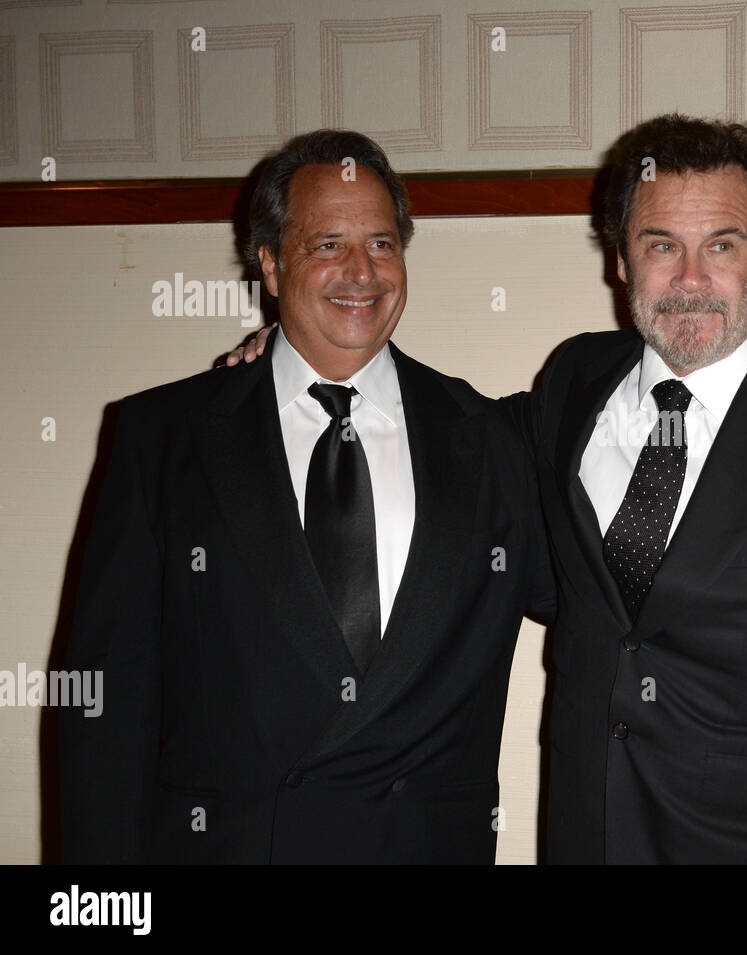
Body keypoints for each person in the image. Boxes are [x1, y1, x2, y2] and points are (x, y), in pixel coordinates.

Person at [229, 114, 747, 865]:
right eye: (661, 245)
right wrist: (305, 350)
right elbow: (435, 434)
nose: (690, 280)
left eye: (721, 245)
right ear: (622, 260)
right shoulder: (574, 384)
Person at [60, 129, 552, 863]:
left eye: (383, 244)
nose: (362, 271)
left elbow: (608, 617)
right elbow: (104, 703)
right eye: (327, 245)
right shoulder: (164, 435)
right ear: (269, 260)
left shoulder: (493, 440)